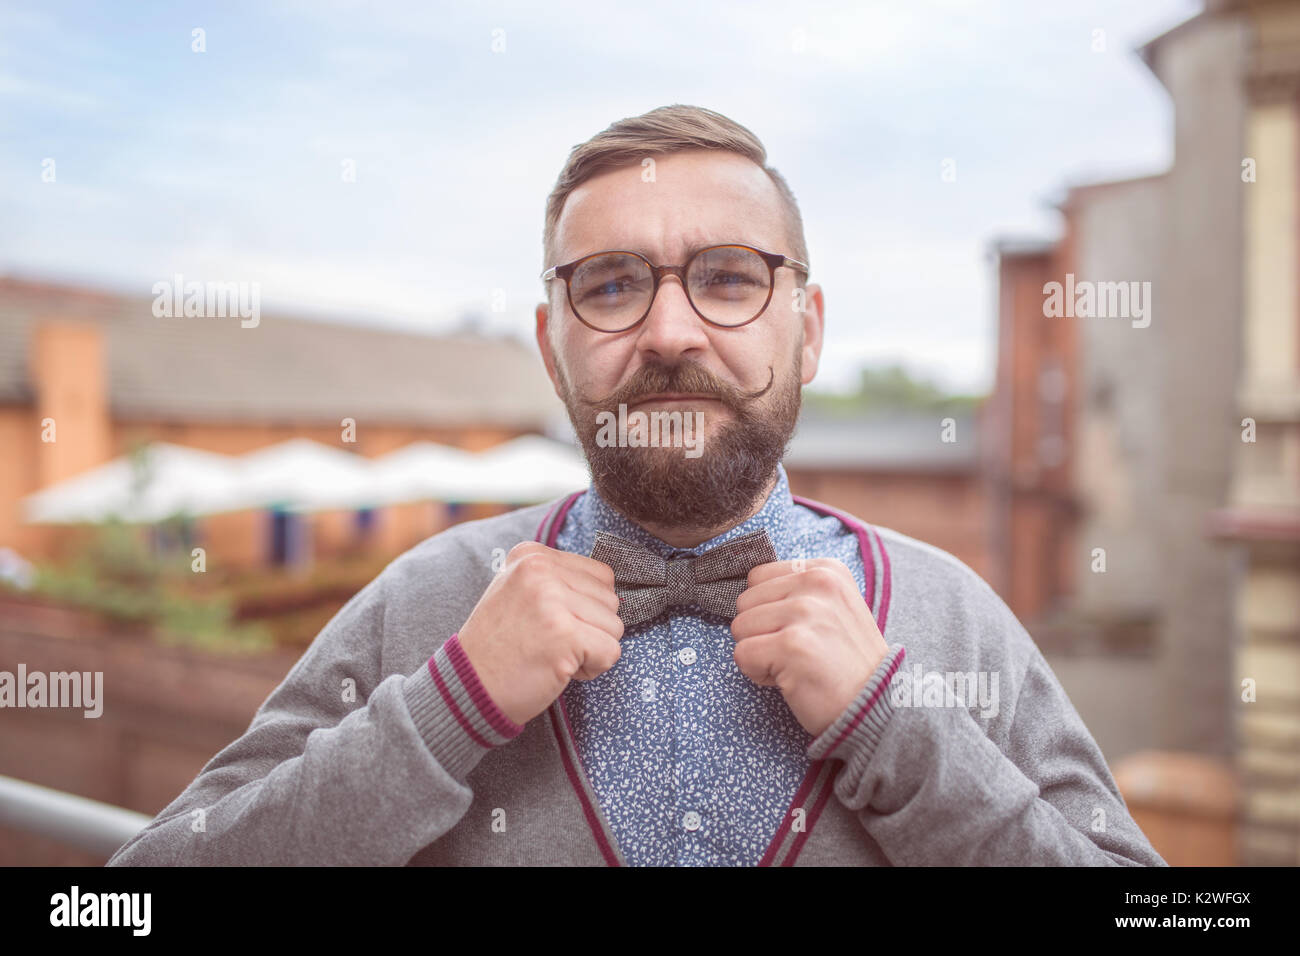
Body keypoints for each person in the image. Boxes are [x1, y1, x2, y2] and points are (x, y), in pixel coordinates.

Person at [108, 104, 1166, 866]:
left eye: (729, 277)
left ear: (808, 329)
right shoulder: (422, 600)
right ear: (550, 341)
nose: (668, 330)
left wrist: (900, 728)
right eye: (610, 284)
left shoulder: (956, 618)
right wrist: (446, 709)